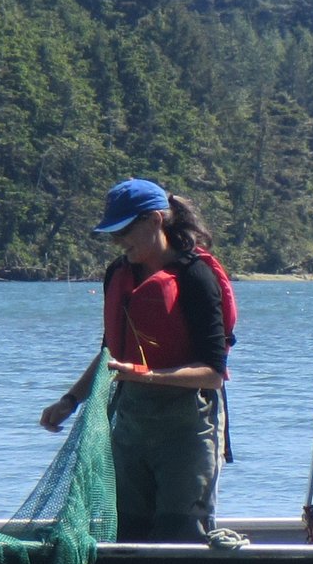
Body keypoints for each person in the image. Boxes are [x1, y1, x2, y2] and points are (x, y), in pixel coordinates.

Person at [42, 178, 236, 543]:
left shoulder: (196, 277)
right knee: (127, 531)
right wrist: (69, 401)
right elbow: (109, 353)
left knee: (180, 533)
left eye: (126, 231)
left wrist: (146, 375)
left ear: (155, 220)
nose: (119, 242)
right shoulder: (119, 274)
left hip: (188, 428)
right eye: (113, 235)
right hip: (132, 425)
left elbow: (213, 374)